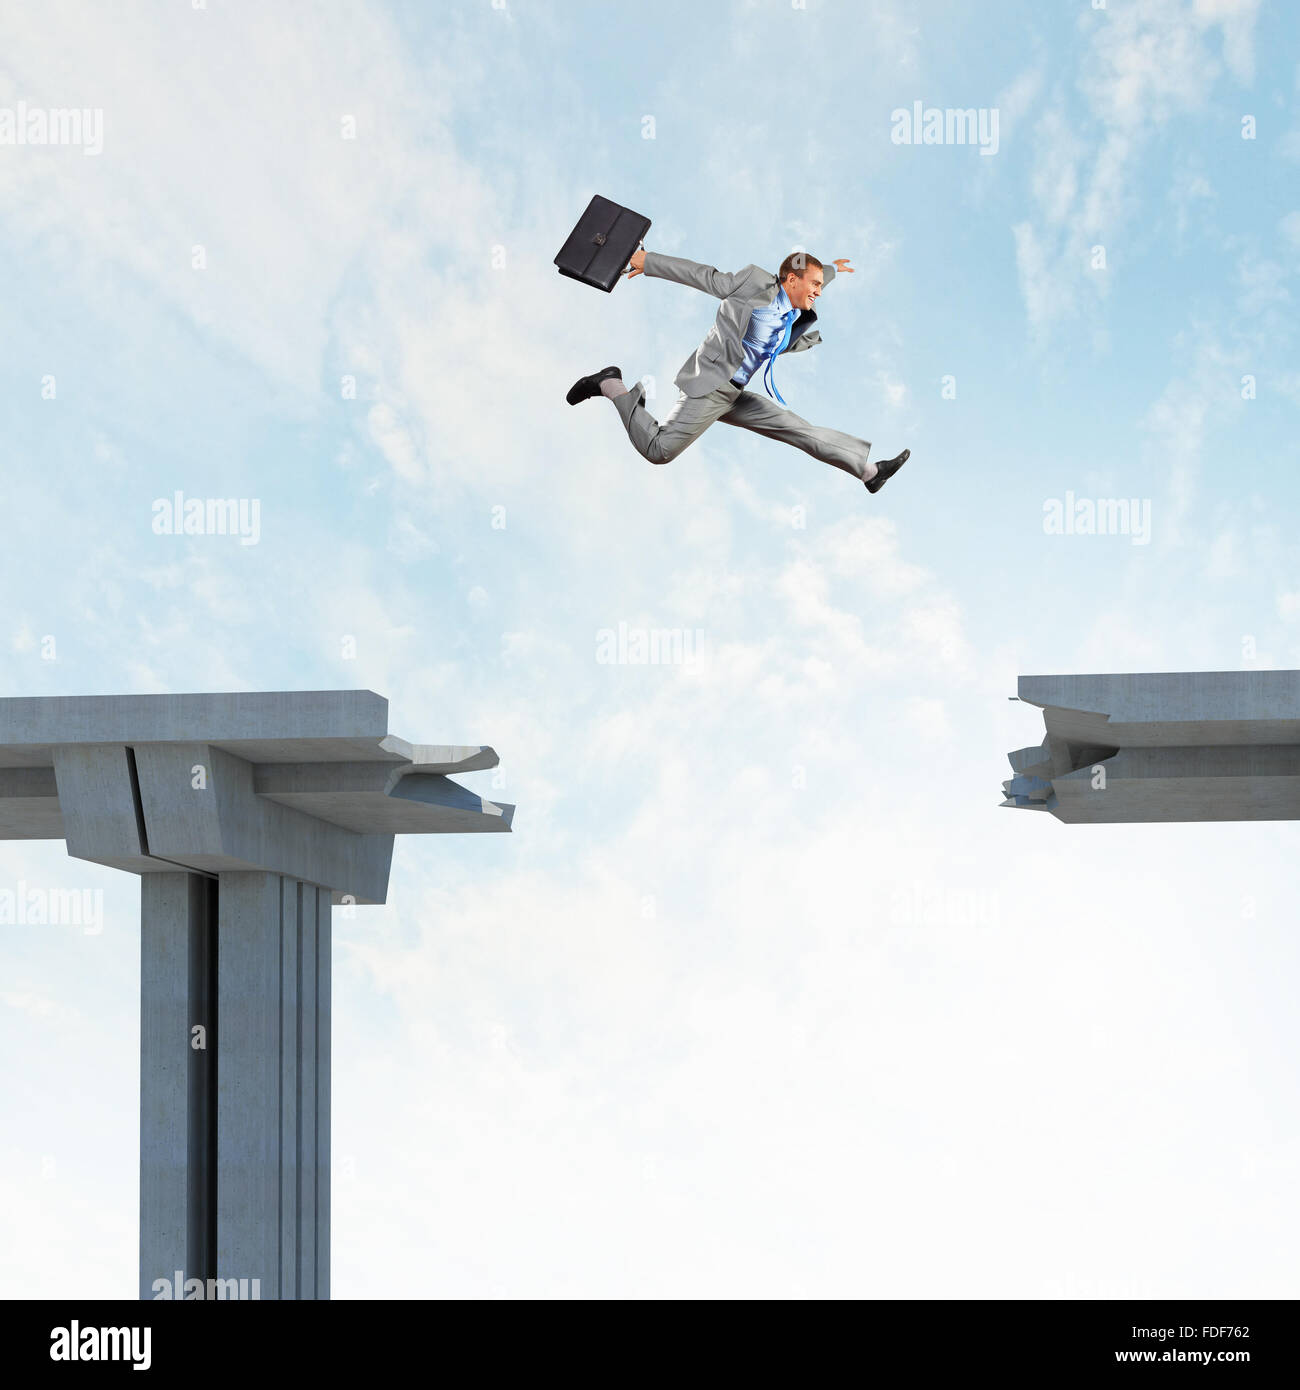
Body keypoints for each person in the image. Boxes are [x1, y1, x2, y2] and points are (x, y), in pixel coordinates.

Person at [566, 249, 910, 494]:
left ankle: (869, 472)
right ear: (791, 280)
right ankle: (610, 384)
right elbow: (702, 276)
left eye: (821, 285)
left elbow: (816, 278)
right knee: (659, 451)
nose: (819, 292)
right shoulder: (751, 285)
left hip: (735, 393)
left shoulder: (795, 305)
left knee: (797, 429)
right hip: (710, 386)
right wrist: (649, 261)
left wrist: (831, 269)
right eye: (815, 284)